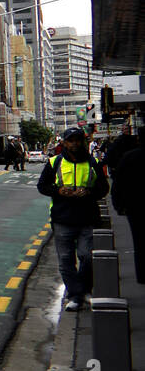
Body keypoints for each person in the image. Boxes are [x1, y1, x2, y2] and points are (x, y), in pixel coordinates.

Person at [37, 127, 109, 310]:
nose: (74, 143)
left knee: (87, 256)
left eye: (77, 140)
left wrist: (89, 192)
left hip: (87, 218)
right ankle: (77, 295)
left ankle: (82, 291)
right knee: (66, 261)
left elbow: (103, 188)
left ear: (83, 142)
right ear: (64, 142)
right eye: (71, 140)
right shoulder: (55, 162)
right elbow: (43, 186)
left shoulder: (93, 163)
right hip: (62, 219)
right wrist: (59, 191)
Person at [111, 140, 145, 283]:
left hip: (135, 207)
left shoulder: (130, 157)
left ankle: (142, 275)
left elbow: (117, 184)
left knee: (140, 241)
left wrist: (118, 205)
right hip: (134, 206)